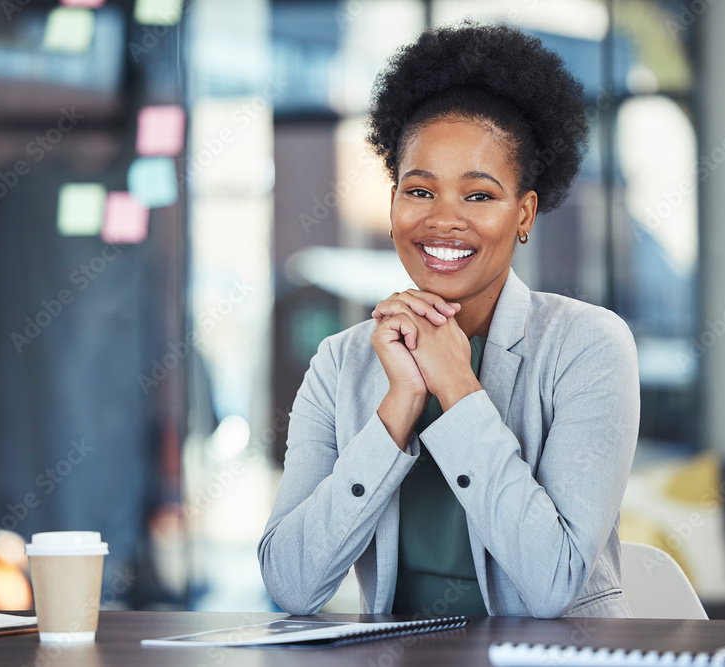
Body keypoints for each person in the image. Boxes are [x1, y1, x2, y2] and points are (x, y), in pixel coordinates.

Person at [257, 22, 640, 619]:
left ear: (524, 213)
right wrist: (398, 406)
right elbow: (290, 583)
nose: (444, 220)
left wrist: (458, 390)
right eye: (420, 191)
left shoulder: (588, 346)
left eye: (480, 196)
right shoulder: (342, 361)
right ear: (392, 206)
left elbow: (554, 583)